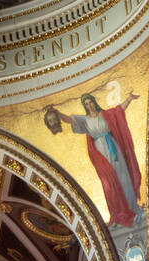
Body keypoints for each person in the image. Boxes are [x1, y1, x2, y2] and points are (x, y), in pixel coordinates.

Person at [48, 91, 143, 226]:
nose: (89, 105)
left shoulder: (105, 115)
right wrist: (56, 113)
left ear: (94, 102)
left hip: (113, 148)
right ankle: (118, 212)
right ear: (85, 106)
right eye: (86, 104)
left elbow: (119, 110)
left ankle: (132, 207)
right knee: (109, 182)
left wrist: (129, 98)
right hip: (100, 152)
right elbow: (70, 120)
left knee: (122, 176)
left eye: (90, 102)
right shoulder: (85, 120)